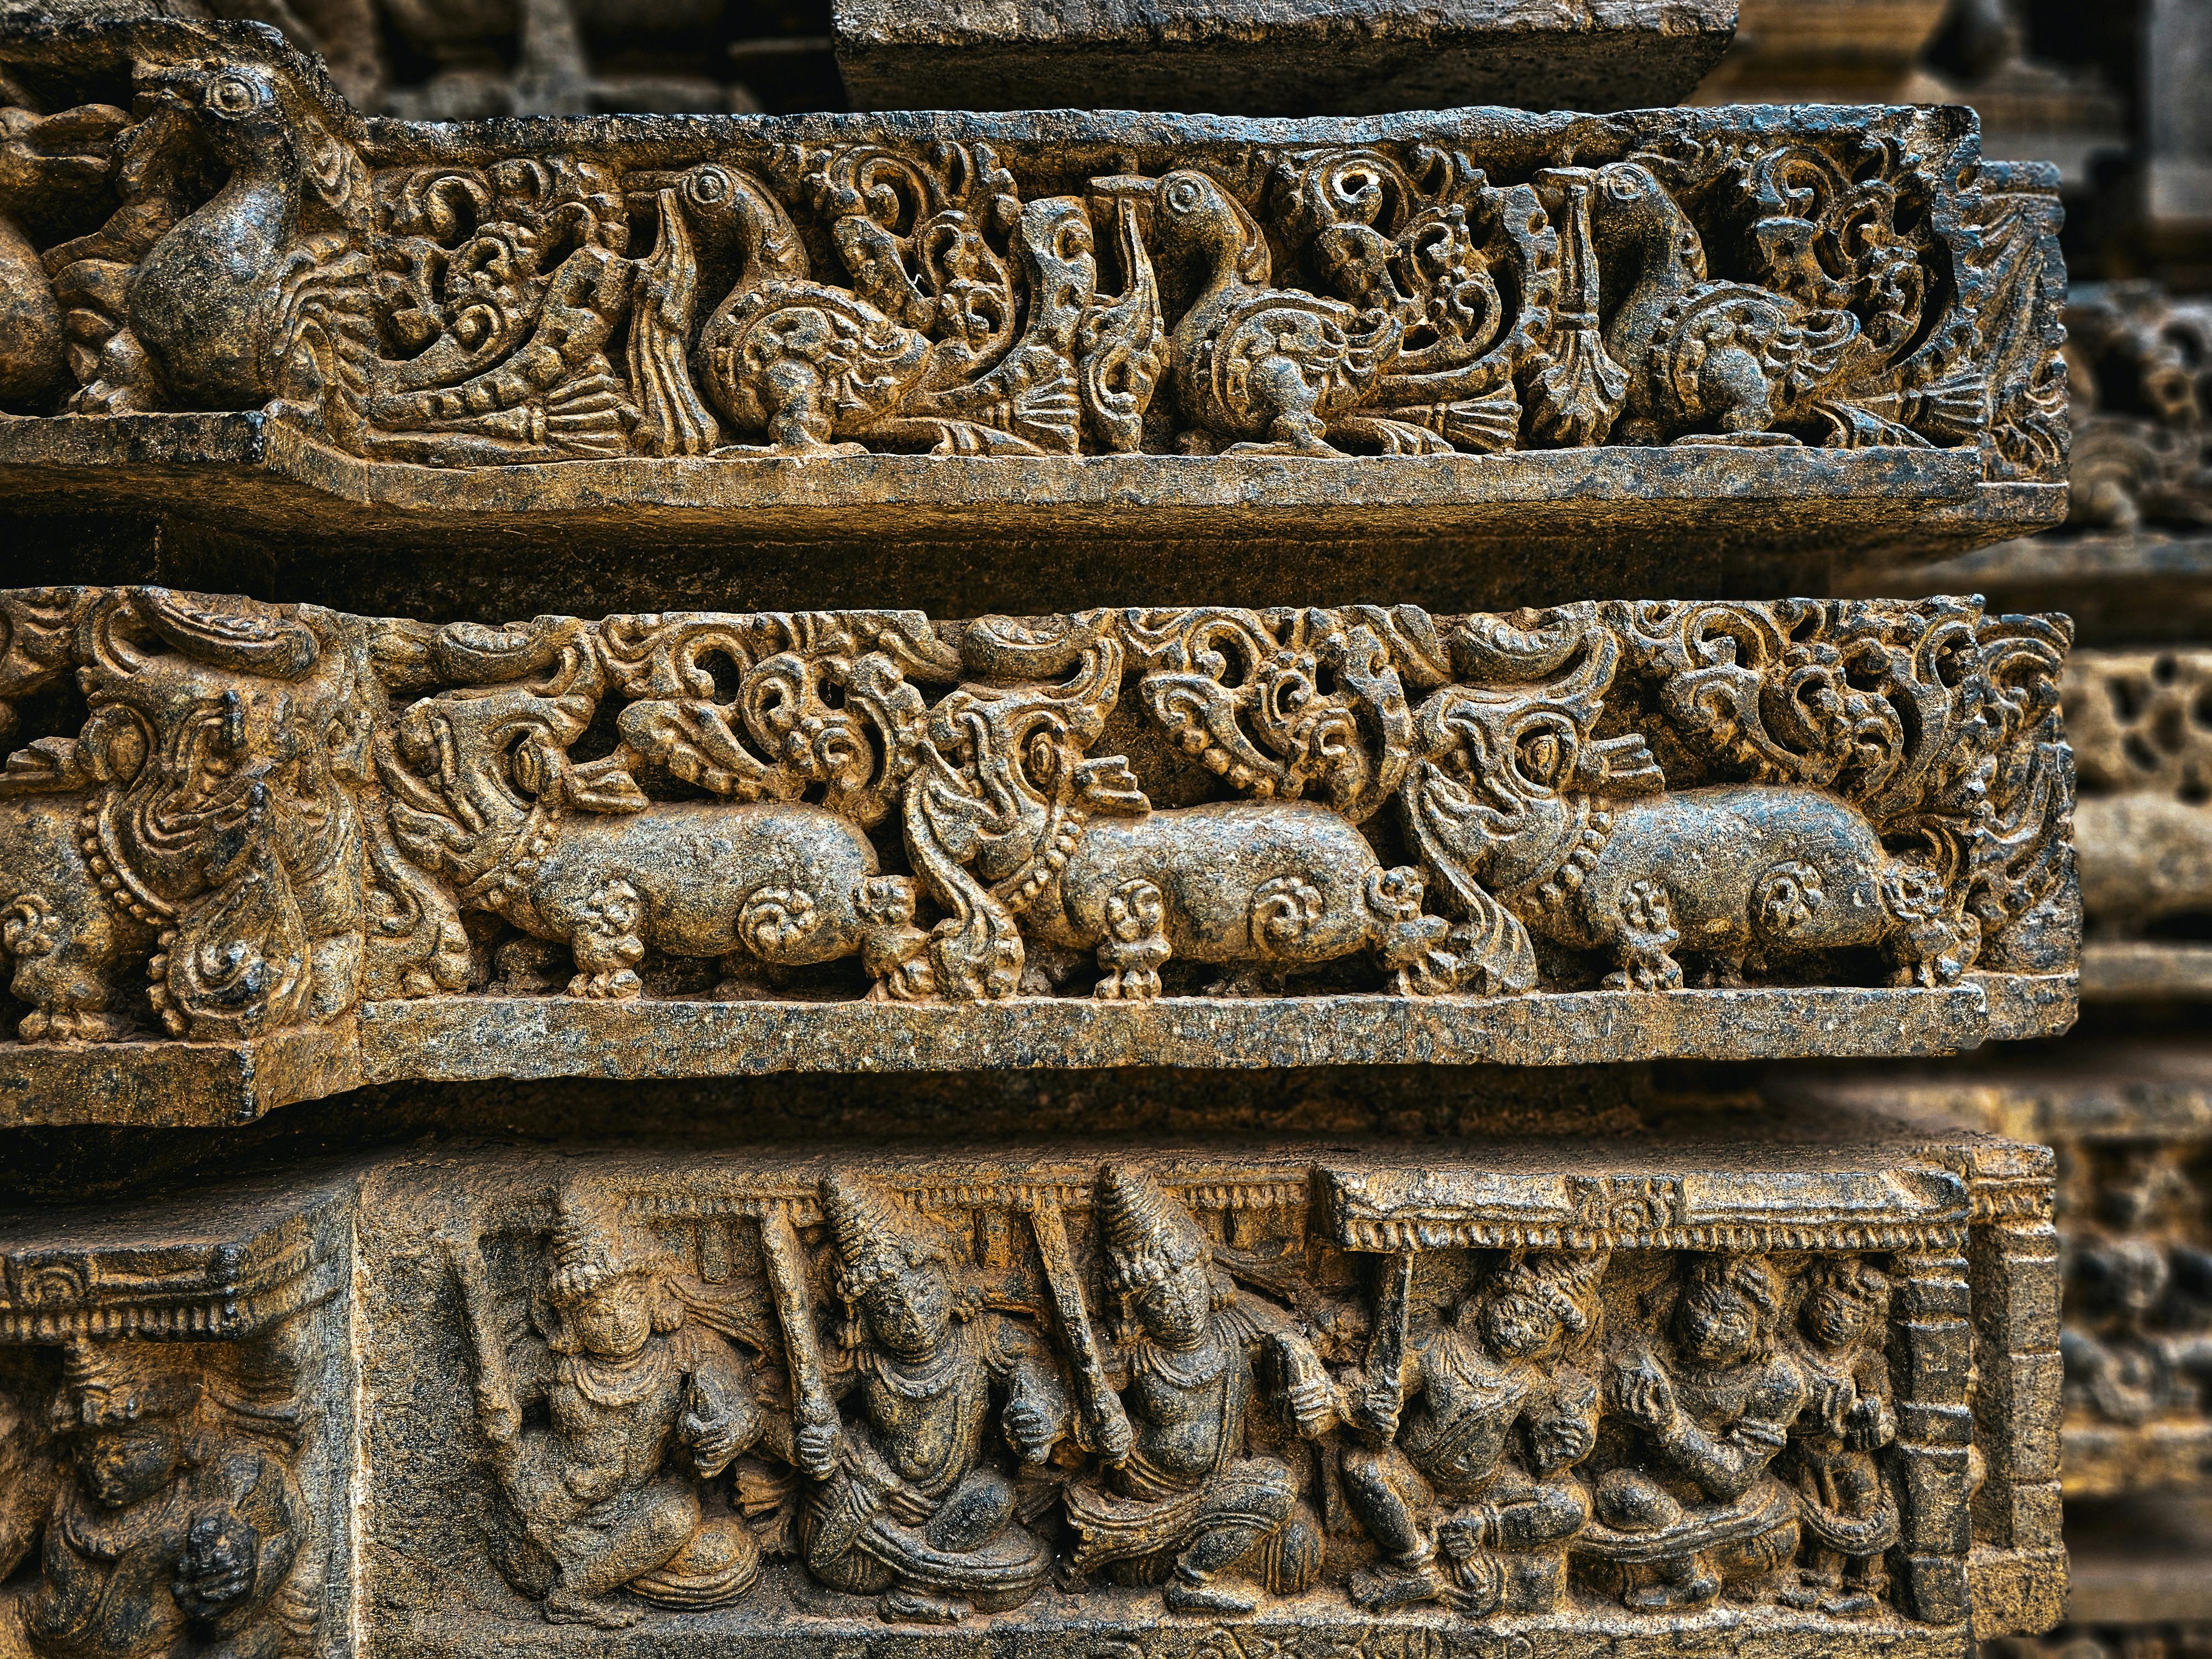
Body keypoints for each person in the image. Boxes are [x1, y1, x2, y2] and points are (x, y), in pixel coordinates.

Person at [1064, 1165, 1334, 1615]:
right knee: (1277, 1486)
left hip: (1220, 1500)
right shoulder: (1133, 1356)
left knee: (1300, 1554)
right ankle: (1191, 1582)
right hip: (1143, 1514)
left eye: (1187, 1280)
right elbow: (1075, 1414)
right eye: (1158, 1296)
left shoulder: (1235, 1326)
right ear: (1134, 1310)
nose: (1181, 1302)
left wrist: (1308, 1377)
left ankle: (1214, 1559)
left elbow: (1286, 1340)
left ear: (1207, 1274)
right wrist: (1094, 1431)